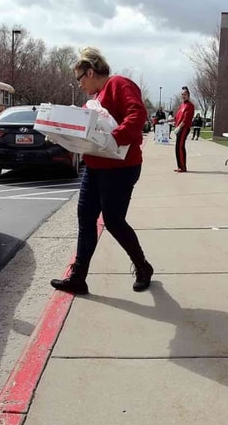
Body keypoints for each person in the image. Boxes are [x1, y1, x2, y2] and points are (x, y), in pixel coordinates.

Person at [50, 47, 153, 296]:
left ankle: (143, 267)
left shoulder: (118, 84)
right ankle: (78, 278)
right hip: (95, 166)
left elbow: (137, 114)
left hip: (121, 167)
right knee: (86, 219)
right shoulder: (94, 99)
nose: (79, 84)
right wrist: (63, 135)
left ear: (90, 72)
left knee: (114, 221)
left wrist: (115, 138)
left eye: (79, 78)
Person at [173, 86, 195, 172]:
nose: (183, 96)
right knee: (177, 147)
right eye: (182, 94)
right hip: (179, 128)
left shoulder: (190, 106)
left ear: (188, 95)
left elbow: (186, 119)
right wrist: (167, 120)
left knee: (180, 147)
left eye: (185, 94)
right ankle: (179, 166)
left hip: (184, 128)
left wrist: (179, 127)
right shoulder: (182, 105)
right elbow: (177, 117)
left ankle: (183, 167)